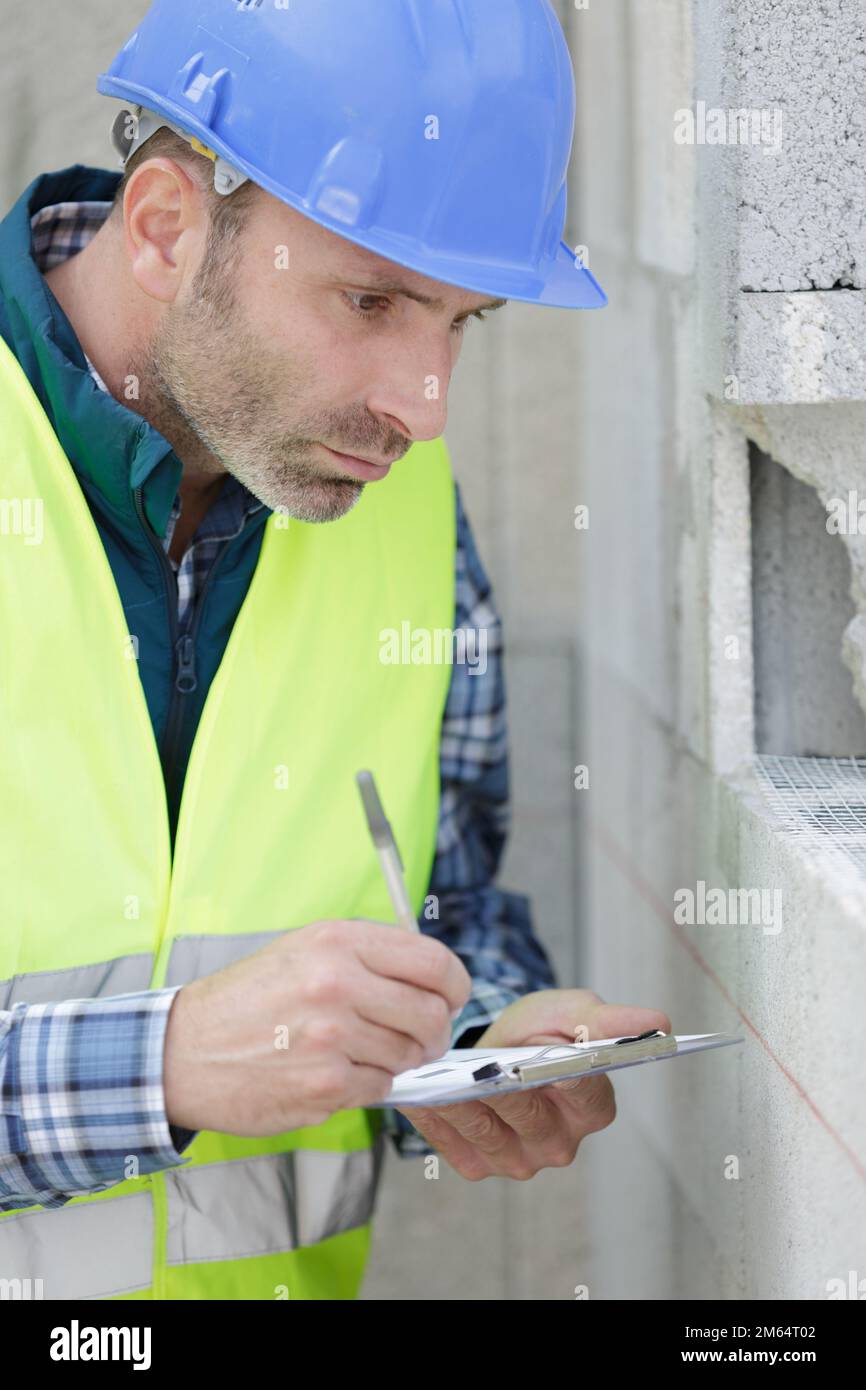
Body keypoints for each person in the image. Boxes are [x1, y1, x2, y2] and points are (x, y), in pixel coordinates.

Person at [0, 0, 670, 1300]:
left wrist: (476, 1034)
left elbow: (445, 897)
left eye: (462, 322)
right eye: (371, 299)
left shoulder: (400, 516)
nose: (422, 409)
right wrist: (167, 1063)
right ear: (165, 227)